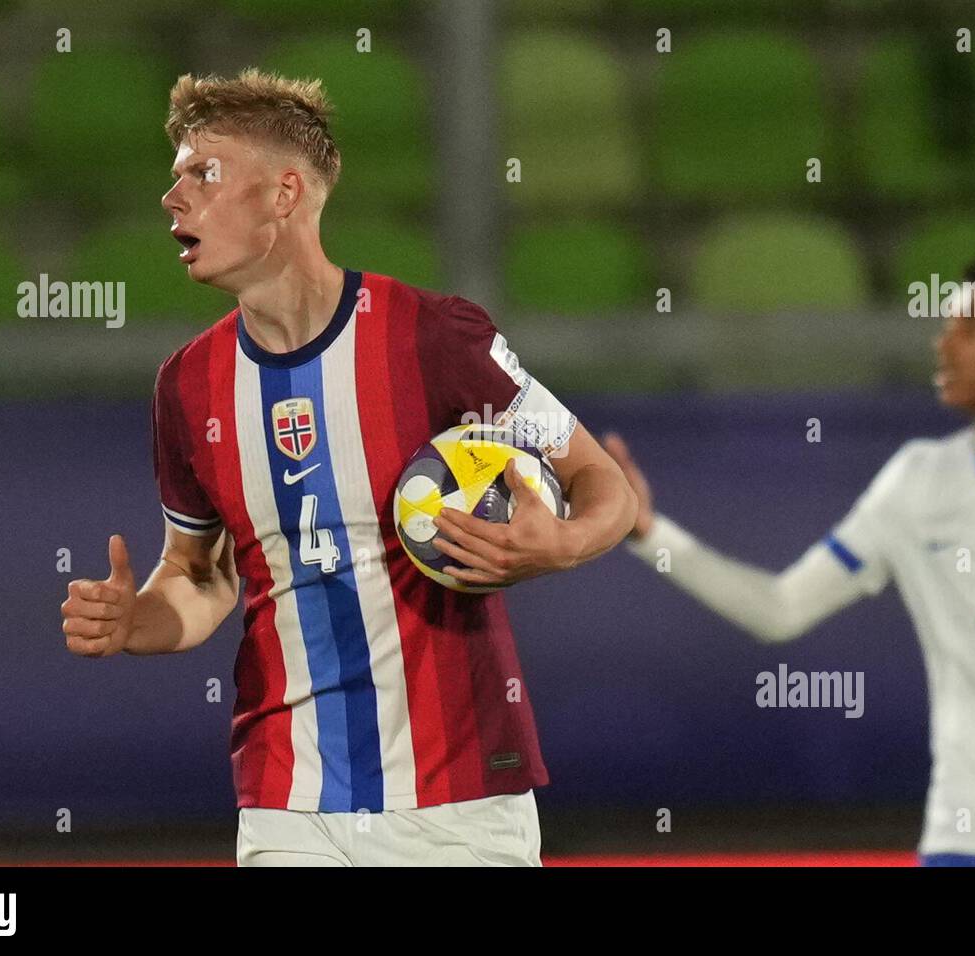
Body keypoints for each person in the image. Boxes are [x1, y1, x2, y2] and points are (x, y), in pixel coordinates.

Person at [59, 68, 637, 867]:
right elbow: (199, 576)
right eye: (175, 177)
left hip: (460, 803)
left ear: (283, 194)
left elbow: (600, 482)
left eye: (203, 173)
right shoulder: (185, 386)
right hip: (289, 802)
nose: (173, 198)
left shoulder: (434, 338)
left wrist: (563, 544)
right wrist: (135, 623)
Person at [605, 256, 975, 865]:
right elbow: (781, 610)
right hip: (970, 834)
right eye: (945, 327)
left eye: (972, 329)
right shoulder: (916, 480)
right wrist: (648, 532)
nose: (944, 345)